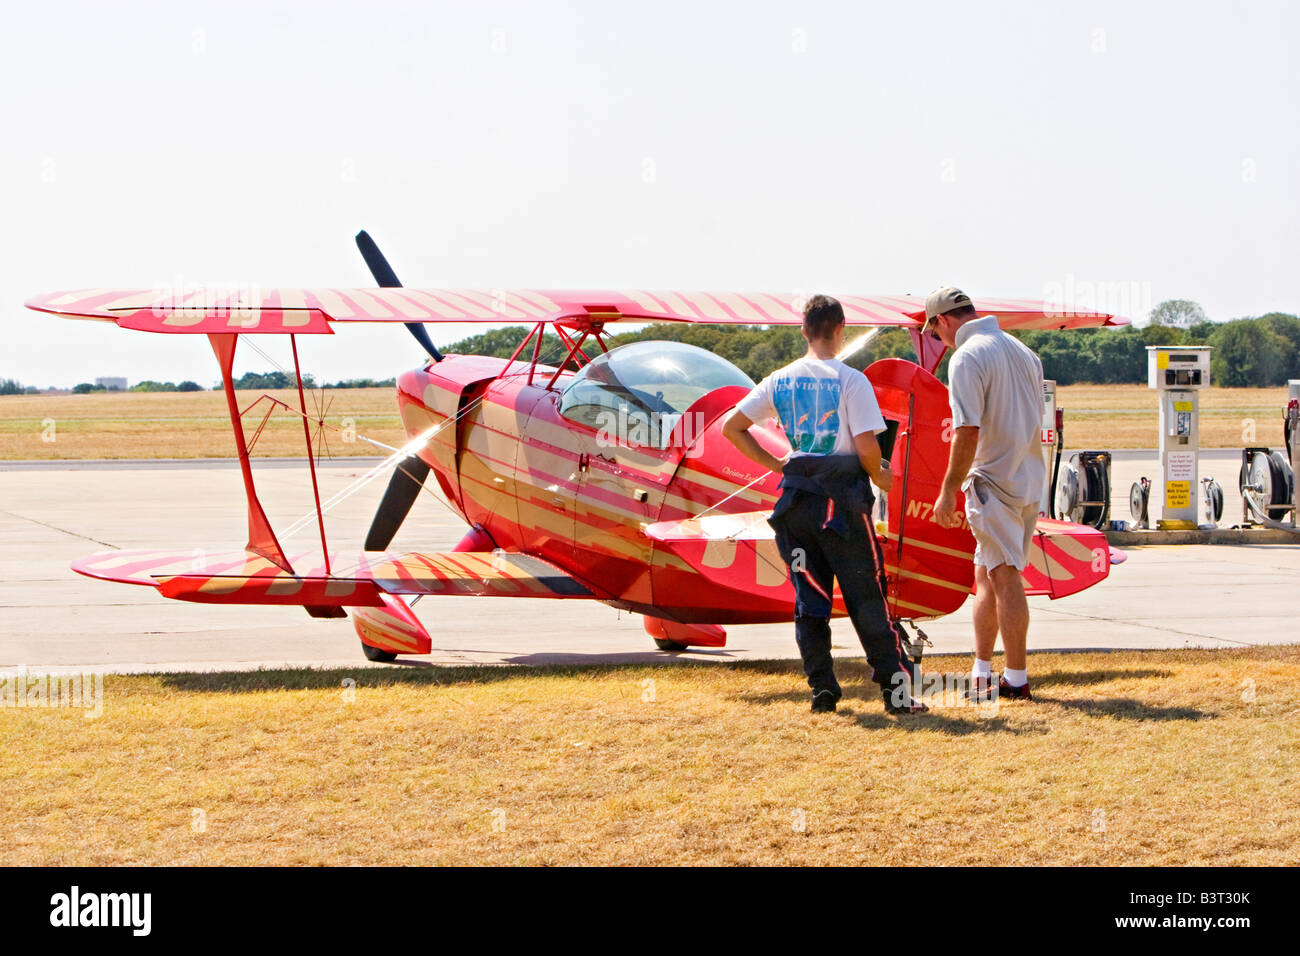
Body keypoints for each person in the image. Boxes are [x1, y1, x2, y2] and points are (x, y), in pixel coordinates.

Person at [722, 294, 926, 715]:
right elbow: (868, 447)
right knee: (866, 597)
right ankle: (897, 694)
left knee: (809, 600)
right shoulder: (851, 380)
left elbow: (733, 427)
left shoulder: (778, 379)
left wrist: (779, 464)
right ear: (840, 330)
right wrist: (881, 476)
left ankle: (823, 691)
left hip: (795, 506)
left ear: (803, 331)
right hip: (843, 507)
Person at [925, 286, 1045, 701]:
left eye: (935, 332)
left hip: (994, 482)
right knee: (986, 574)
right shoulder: (1023, 350)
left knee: (1004, 575)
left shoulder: (967, 356)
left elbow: (967, 431)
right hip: (1030, 477)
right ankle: (981, 671)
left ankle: (1016, 679)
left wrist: (947, 489)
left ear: (943, 321)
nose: (939, 340)